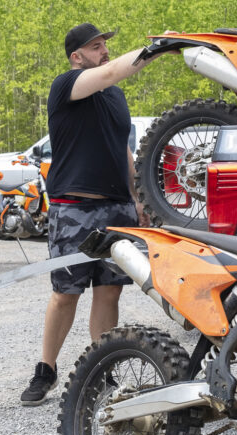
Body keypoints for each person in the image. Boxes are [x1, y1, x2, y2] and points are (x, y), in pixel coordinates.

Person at [20, 23, 162, 406]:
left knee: (109, 291)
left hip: (117, 209)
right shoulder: (66, 85)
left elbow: (123, 150)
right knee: (66, 293)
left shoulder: (115, 99)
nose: (103, 52)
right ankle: (45, 369)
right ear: (76, 57)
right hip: (75, 209)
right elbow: (113, 70)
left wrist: (138, 200)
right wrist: (158, 48)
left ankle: (101, 369)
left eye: (105, 46)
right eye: (96, 47)